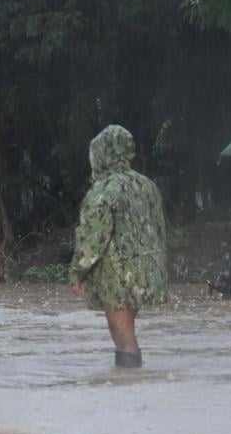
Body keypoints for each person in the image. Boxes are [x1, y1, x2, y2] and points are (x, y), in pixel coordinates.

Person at [70, 124, 168, 368]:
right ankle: (132, 387)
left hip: (118, 276)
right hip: (149, 271)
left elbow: (92, 239)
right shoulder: (147, 185)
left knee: (123, 337)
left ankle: (127, 388)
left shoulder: (103, 191)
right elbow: (160, 229)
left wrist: (77, 272)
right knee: (127, 331)